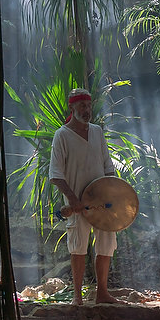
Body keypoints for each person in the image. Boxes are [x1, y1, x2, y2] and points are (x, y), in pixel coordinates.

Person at [49, 87, 119, 304]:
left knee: (106, 243)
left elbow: (107, 165)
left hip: (101, 201)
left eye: (88, 105)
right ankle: (77, 297)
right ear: (72, 107)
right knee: (78, 246)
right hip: (77, 203)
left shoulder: (97, 132)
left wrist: (114, 193)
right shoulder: (62, 135)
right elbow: (56, 174)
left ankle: (102, 293)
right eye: (82, 106)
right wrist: (73, 199)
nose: (87, 110)